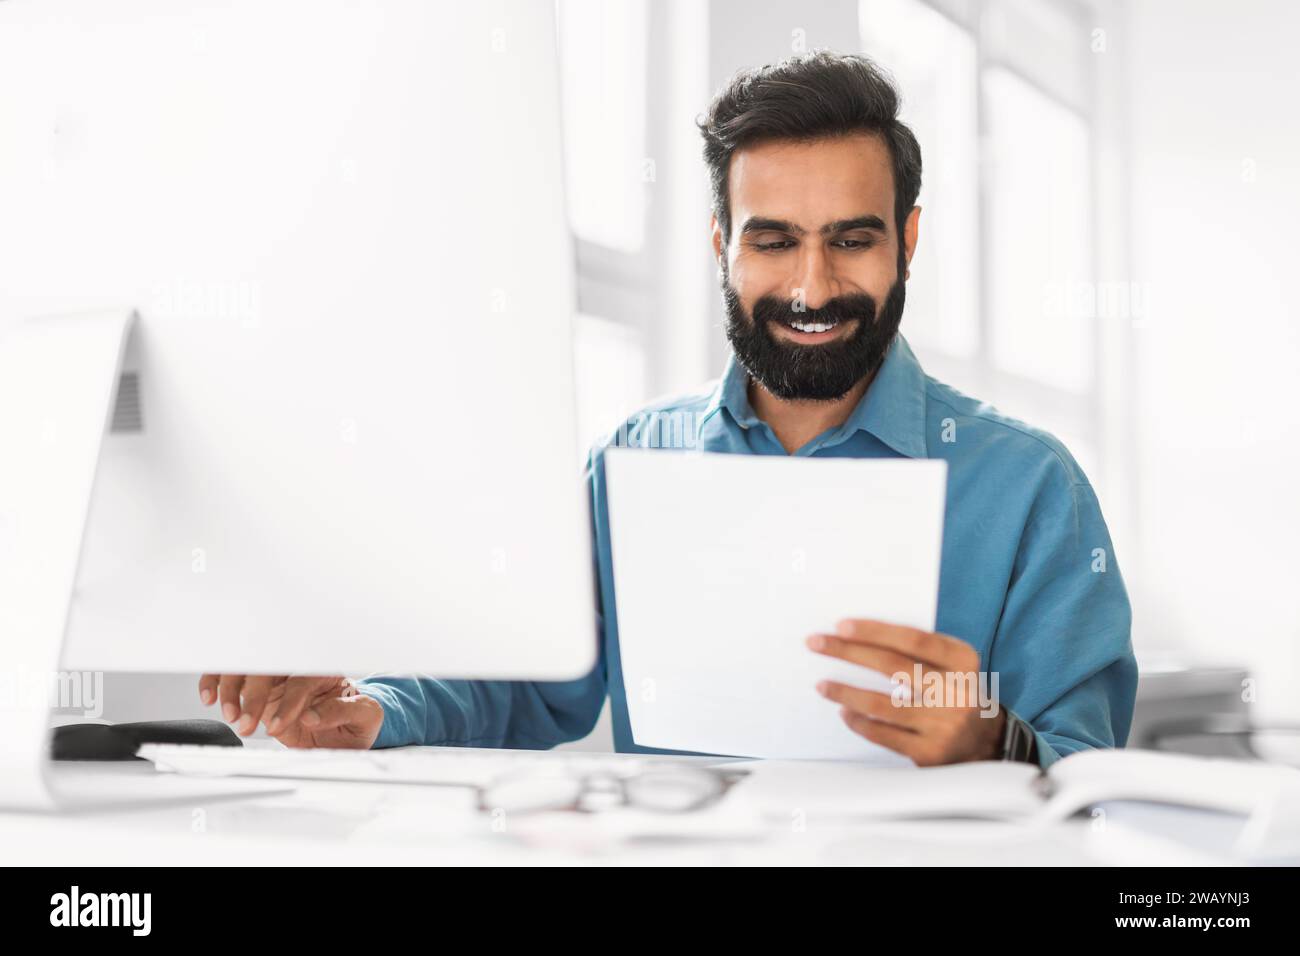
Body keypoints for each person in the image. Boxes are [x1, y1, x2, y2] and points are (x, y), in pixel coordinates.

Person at [200, 52, 1136, 768]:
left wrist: (992, 743)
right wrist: (367, 710)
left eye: (852, 240)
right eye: (774, 241)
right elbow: (516, 684)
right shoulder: (633, 462)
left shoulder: (1030, 488)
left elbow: (1096, 788)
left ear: (910, 239)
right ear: (722, 243)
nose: (812, 286)